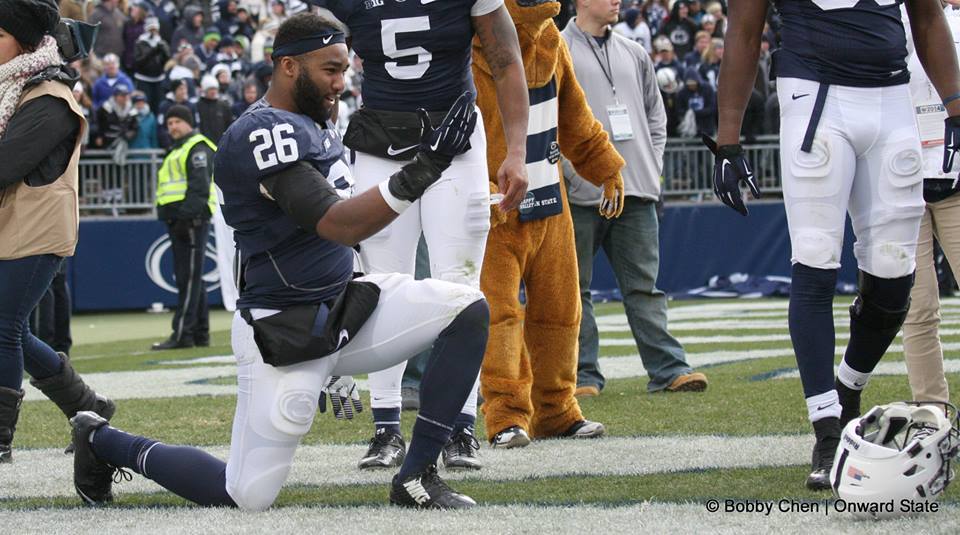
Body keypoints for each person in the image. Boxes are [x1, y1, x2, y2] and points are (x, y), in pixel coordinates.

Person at [70, 12, 490, 510]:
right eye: (330, 70)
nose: (342, 82)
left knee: (467, 308)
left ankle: (416, 476)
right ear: (289, 66)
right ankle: (103, 442)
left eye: (345, 70)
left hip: (346, 306)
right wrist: (424, 169)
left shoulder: (315, 123)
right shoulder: (263, 130)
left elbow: (338, 244)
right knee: (246, 495)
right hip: (283, 327)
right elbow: (337, 223)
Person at [711, 0, 960, 491]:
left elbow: (927, 17)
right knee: (814, 258)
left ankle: (847, 388)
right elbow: (744, 31)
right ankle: (826, 431)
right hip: (814, 94)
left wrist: (955, 106)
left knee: (894, 279)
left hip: (893, 97)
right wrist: (728, 139)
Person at [311, 0, 528, 471]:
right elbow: (308, 55)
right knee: (381, 287)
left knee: (461, 290)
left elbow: (507, 60)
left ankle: (459, 427)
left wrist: (516, 152)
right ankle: (386, 427)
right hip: (379, 144)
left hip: (456, 143)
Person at [562, 0, 707, 399]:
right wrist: (570, 174)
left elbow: (656, 118)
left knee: (645, 287)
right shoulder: (558, 49)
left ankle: (669, 369)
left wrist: (650, 161)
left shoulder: (636, 52)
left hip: (636, 189)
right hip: (580, 193)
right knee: (576, 289)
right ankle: (581, 375)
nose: (618, 1)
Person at [0, 0, 115, 464]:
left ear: (24, 41)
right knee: (14, 330)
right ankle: (89, 406)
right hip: (14, 224)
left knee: (4, 327)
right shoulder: (15, 87)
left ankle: (1, 436)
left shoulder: (48, 94)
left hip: (36, 227)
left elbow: (7, 164)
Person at [901, 0, 960, 408]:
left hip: (956, 178)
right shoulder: (888, 16)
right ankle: (931, 411)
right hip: (902, 181)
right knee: (918, 310)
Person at [150, 104, 215, 350]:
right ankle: (200, 333)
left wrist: (185, 217)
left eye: (177, 122)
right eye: (169, 124)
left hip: (191, 220)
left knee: (188, 279)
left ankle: (182, 334)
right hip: (182, 219)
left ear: (189, 122)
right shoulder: (178, 149)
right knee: (192, 278)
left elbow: (199, 188)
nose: (172, 127)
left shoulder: (196, 147)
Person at [132, 16, 170, 114]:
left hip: (158, 79)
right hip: (144, 79)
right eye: (151, 30)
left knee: (159, 105)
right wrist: (152, 51)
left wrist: (164, 51)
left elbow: (166, 61)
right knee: (146, 106)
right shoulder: (140, 43)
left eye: (155, 30)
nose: (153, 32)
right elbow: (138, 62)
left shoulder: (161, 42)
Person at [196, 74, 234, 143]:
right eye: (210, 89)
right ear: (205, 90)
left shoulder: (223, 105)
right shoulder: (198, 106)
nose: (213, 91)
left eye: (215, 89)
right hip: (205, 143)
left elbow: (230, 125)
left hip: (221, 143)